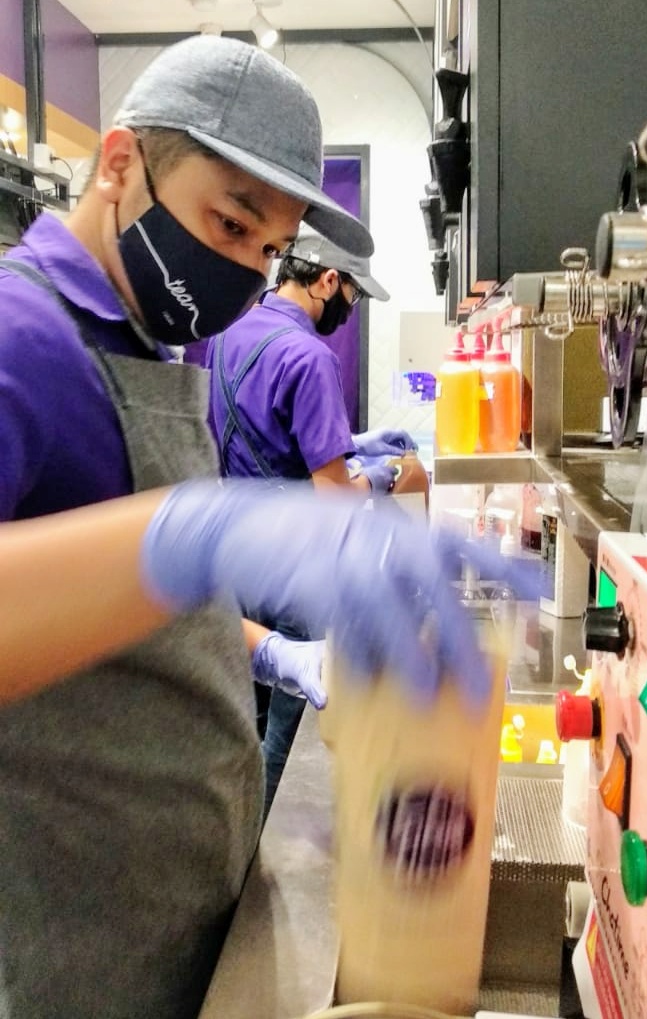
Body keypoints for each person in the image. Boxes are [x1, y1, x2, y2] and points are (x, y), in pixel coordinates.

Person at [0, 33, 534, 1019]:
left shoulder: (149, 345)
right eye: (230, 221)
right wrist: (190, 535)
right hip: (74, 939)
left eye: (266, 247)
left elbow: (143, 608)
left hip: (173, 907)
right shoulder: (22, 339)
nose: (244, 266)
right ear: (119, 162)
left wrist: (279, 653)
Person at [206, 227, 417, 813]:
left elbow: (268, 439)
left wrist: (353, 442)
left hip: (236, 556)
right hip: (295, 566)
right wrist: (384, 475)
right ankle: (263, 860)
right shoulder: (309, 356)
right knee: (287, 731)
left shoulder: (230, 334)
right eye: (353, 296)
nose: (350, 313)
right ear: (328, 281)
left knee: (243, 715)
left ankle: (235, 833)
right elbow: (335, 501)